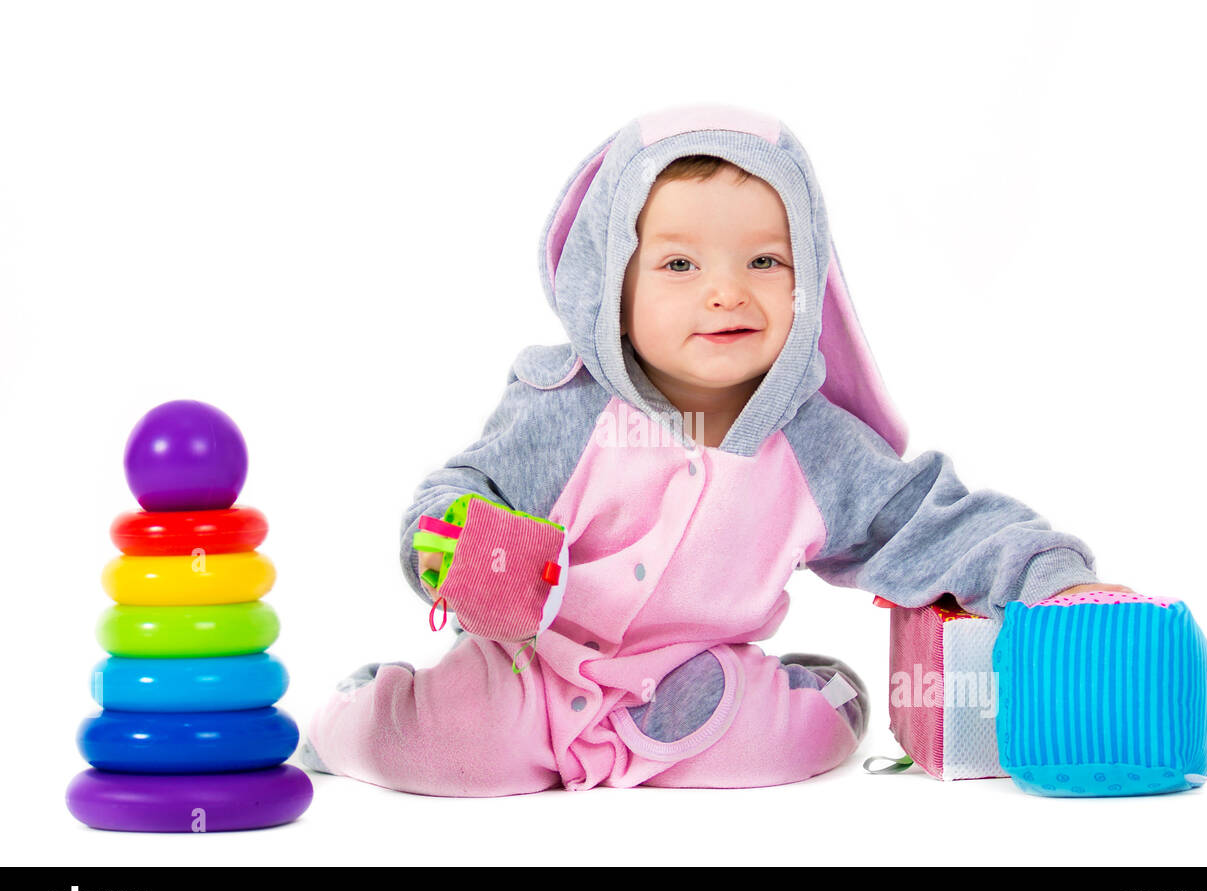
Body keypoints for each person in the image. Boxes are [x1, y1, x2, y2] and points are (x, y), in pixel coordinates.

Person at [301, 103, 1128, 796]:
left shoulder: (812, 443)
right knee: (442, 753)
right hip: (529, 663)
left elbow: (931, 522)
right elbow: (459, 489)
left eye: (765, 260)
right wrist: (459, 536)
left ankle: (809, 691)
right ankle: (360, 712)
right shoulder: (567, 408)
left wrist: (1055, 579)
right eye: (680, 264)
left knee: (790, 746)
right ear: (611, 290)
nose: (726, 290)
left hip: (688, 676)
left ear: (808, 281)